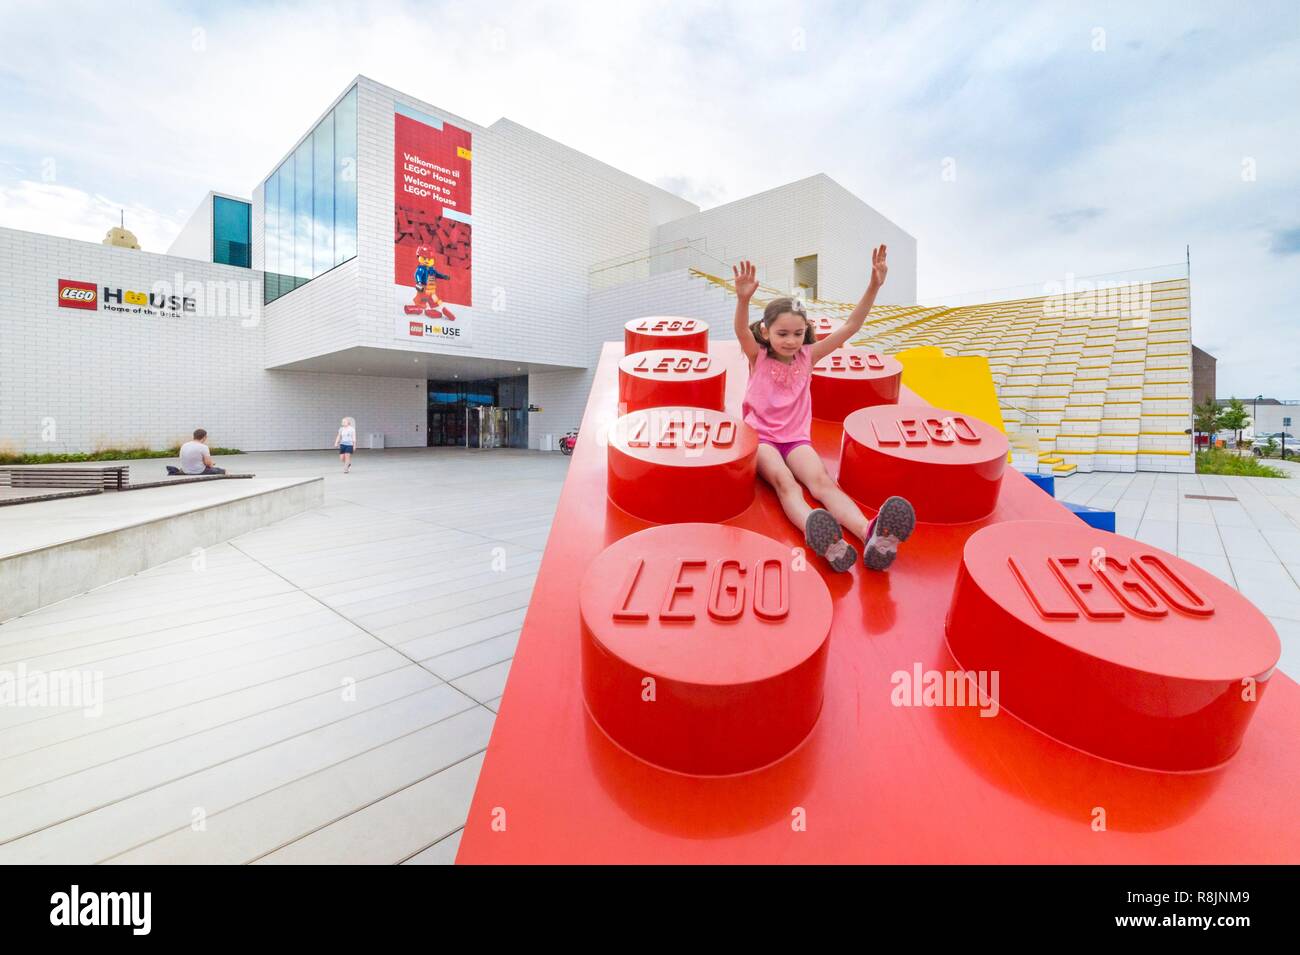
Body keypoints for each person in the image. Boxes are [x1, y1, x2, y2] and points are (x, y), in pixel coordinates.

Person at [734, 246, 915, 572]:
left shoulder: (809, 356)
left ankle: (870, 533)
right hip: (761, 438)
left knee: (822, 482)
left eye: (797, 333)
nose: (790, 340)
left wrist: (874, 285)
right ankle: (825, 539)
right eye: (782, 334)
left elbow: (850, 327)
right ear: (766, 332)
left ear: (806, 333)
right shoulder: (757, 357)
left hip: (795, 439)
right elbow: (739, 331)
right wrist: (743, 299)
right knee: (784, 482)